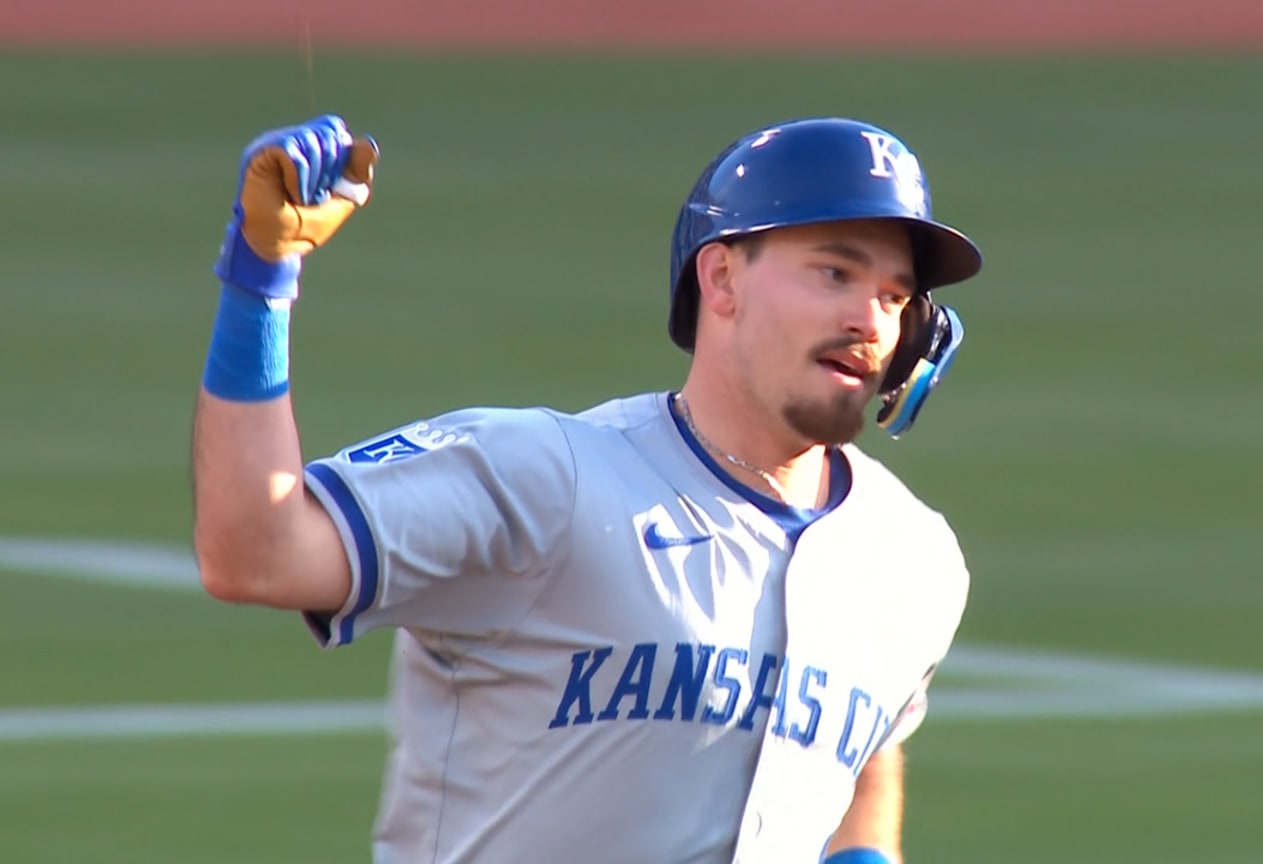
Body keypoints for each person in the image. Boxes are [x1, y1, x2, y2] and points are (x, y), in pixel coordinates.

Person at [191, 113, 984, 864]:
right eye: (834, 271)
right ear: (721, 279)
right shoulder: (542, 478)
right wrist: (262, 282)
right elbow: (255, 556)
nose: (870, 320)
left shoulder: (912, 559)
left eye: (893, 295)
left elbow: (868, 741)